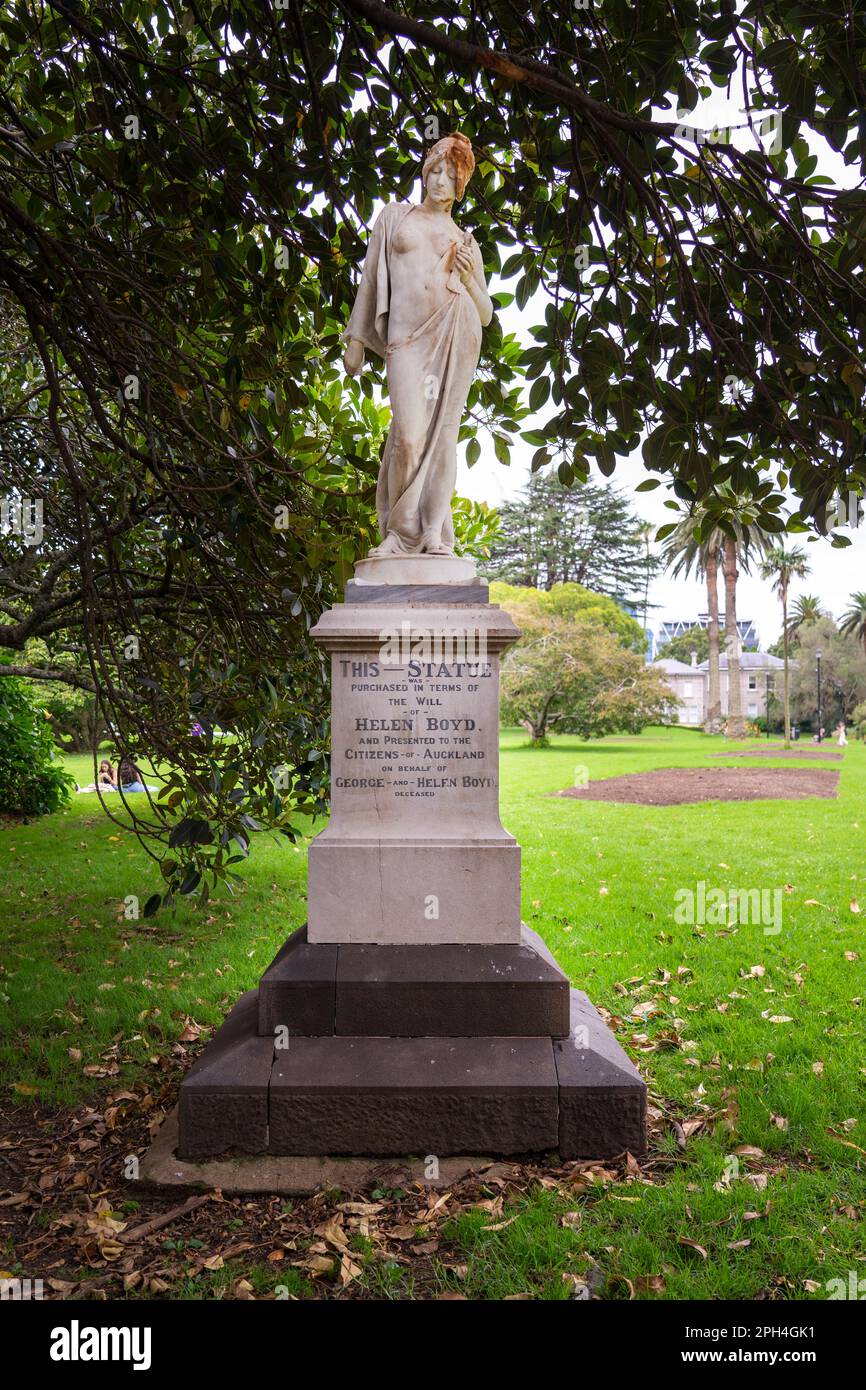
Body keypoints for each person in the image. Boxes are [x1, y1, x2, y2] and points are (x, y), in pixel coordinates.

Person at [342, 133, 493, 557]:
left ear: (460, 187)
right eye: (436, 170)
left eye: (450, 175)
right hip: (406, 340)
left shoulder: (465, 241)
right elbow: (371, 277)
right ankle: (399, 532)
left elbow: (485, 312)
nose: (440, 180)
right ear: (425, 171)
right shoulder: (395, 217)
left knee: (444, 434)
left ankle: (431, 533)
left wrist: (466, 278)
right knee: (408, 435)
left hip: (457, 332)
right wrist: (356, 338)